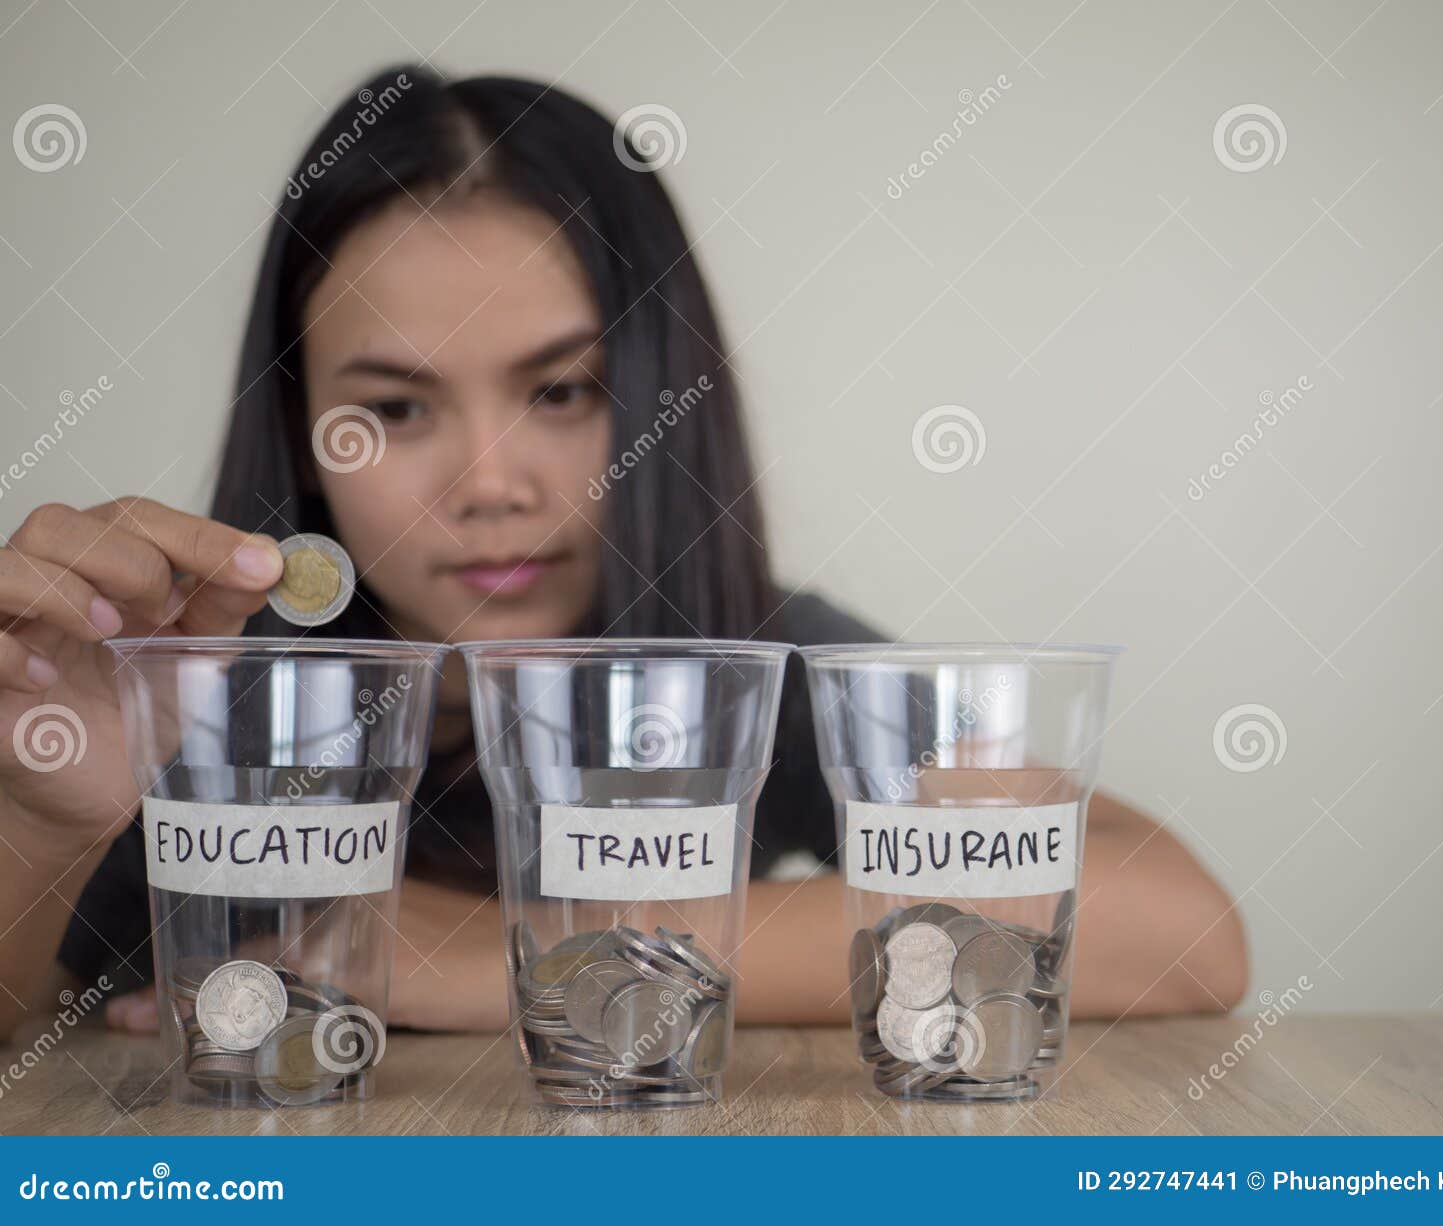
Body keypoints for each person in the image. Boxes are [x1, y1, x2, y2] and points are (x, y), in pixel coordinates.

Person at [0, 66, 1246, 1043]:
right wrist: (35, 821)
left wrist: (535, 944)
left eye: (562, 391)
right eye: (394, 410)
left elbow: (1182, 931)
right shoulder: (172, 686)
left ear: (661, 395)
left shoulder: (758, 656)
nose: (491, 486)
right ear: (302, 433)